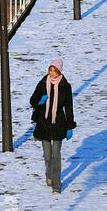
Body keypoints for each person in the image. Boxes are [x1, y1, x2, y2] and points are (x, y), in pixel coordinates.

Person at [29, 59, 76, 194]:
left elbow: (69, 107)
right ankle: (49, 175)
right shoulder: (43, 83)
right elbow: (32, 100)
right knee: (48, 156)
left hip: (58, 124)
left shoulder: (65, 86)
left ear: (59, 71)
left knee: (56, 155)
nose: (52, 73)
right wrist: (40, 101)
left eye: (54, 70)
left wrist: (69, 126)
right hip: (44, 124)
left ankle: (56, 184)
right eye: (50, 70)